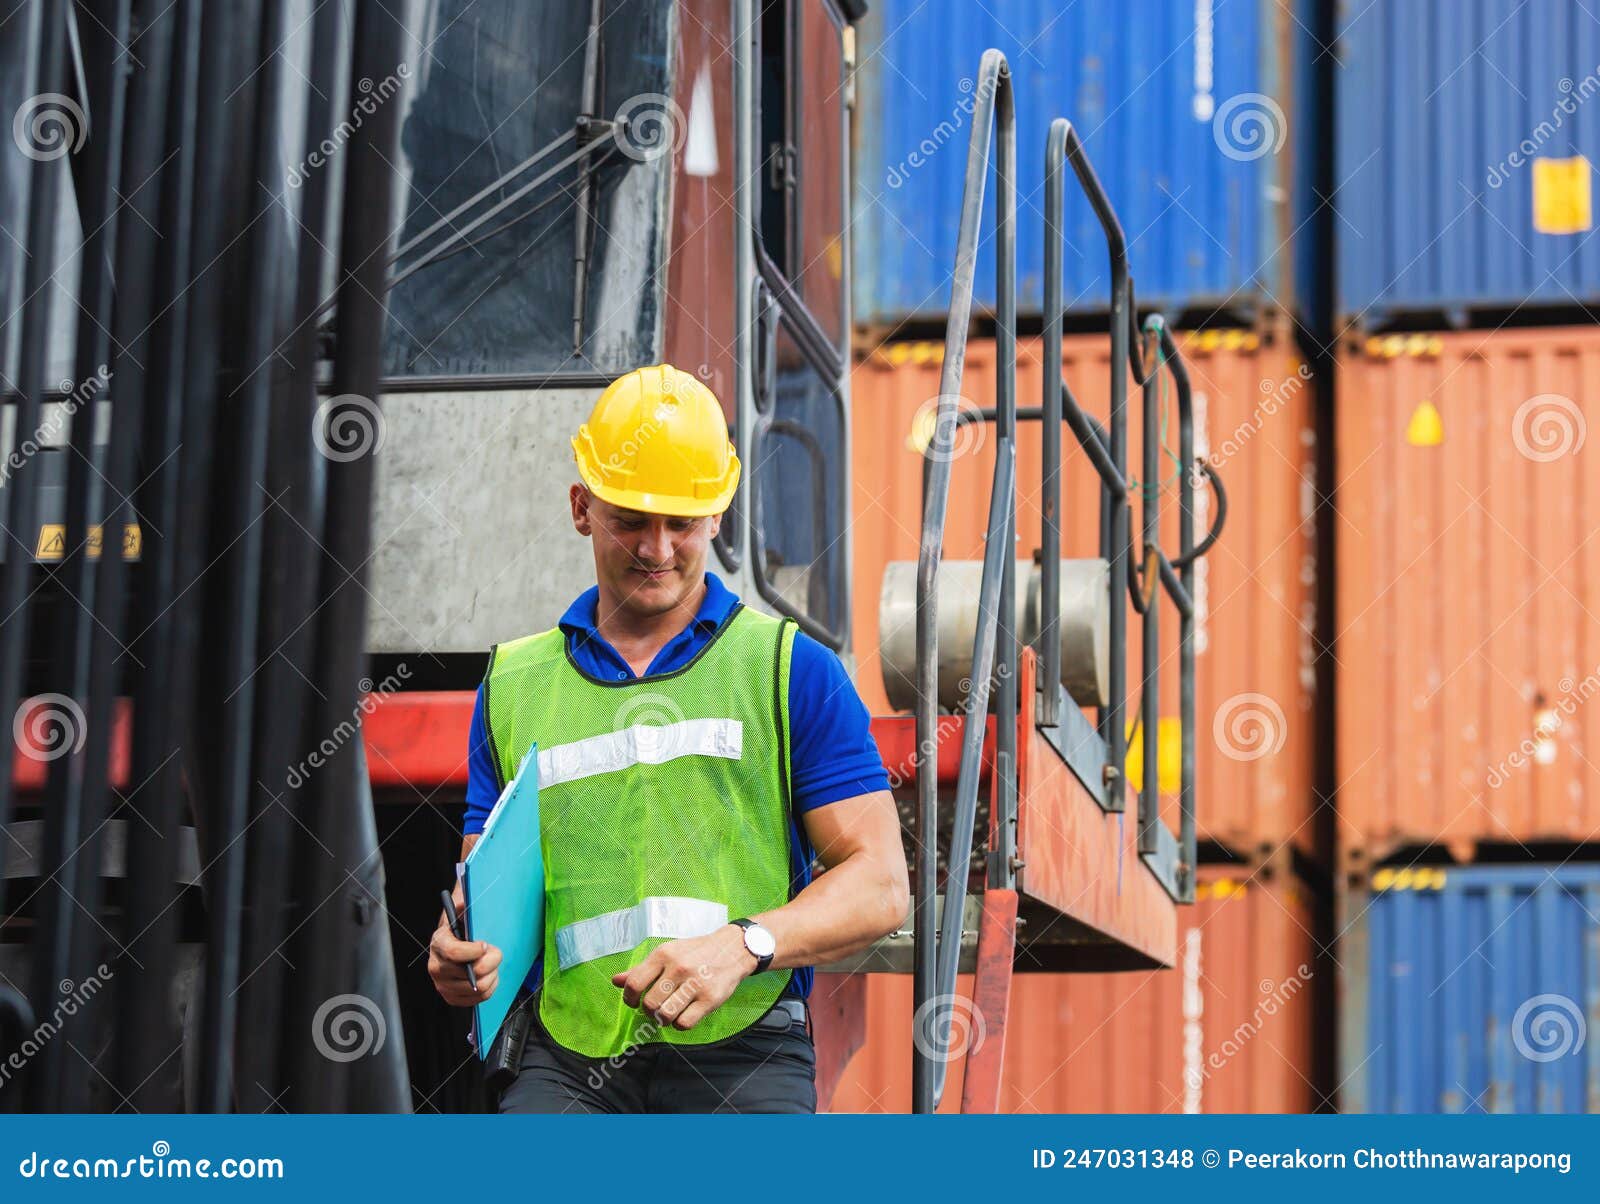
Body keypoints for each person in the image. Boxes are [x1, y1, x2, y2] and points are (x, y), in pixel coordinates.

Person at [427, 363, 908, 1113]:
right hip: (570, 1053)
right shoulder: (514, 682)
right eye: (631, 520)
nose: (657, 549)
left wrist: (742, 945)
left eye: (681, 523)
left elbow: (880, 885)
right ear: (582, 507)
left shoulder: (790, 670)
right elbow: (480, 895)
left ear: (717, 515)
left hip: (743, 1043)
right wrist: (461, 955)